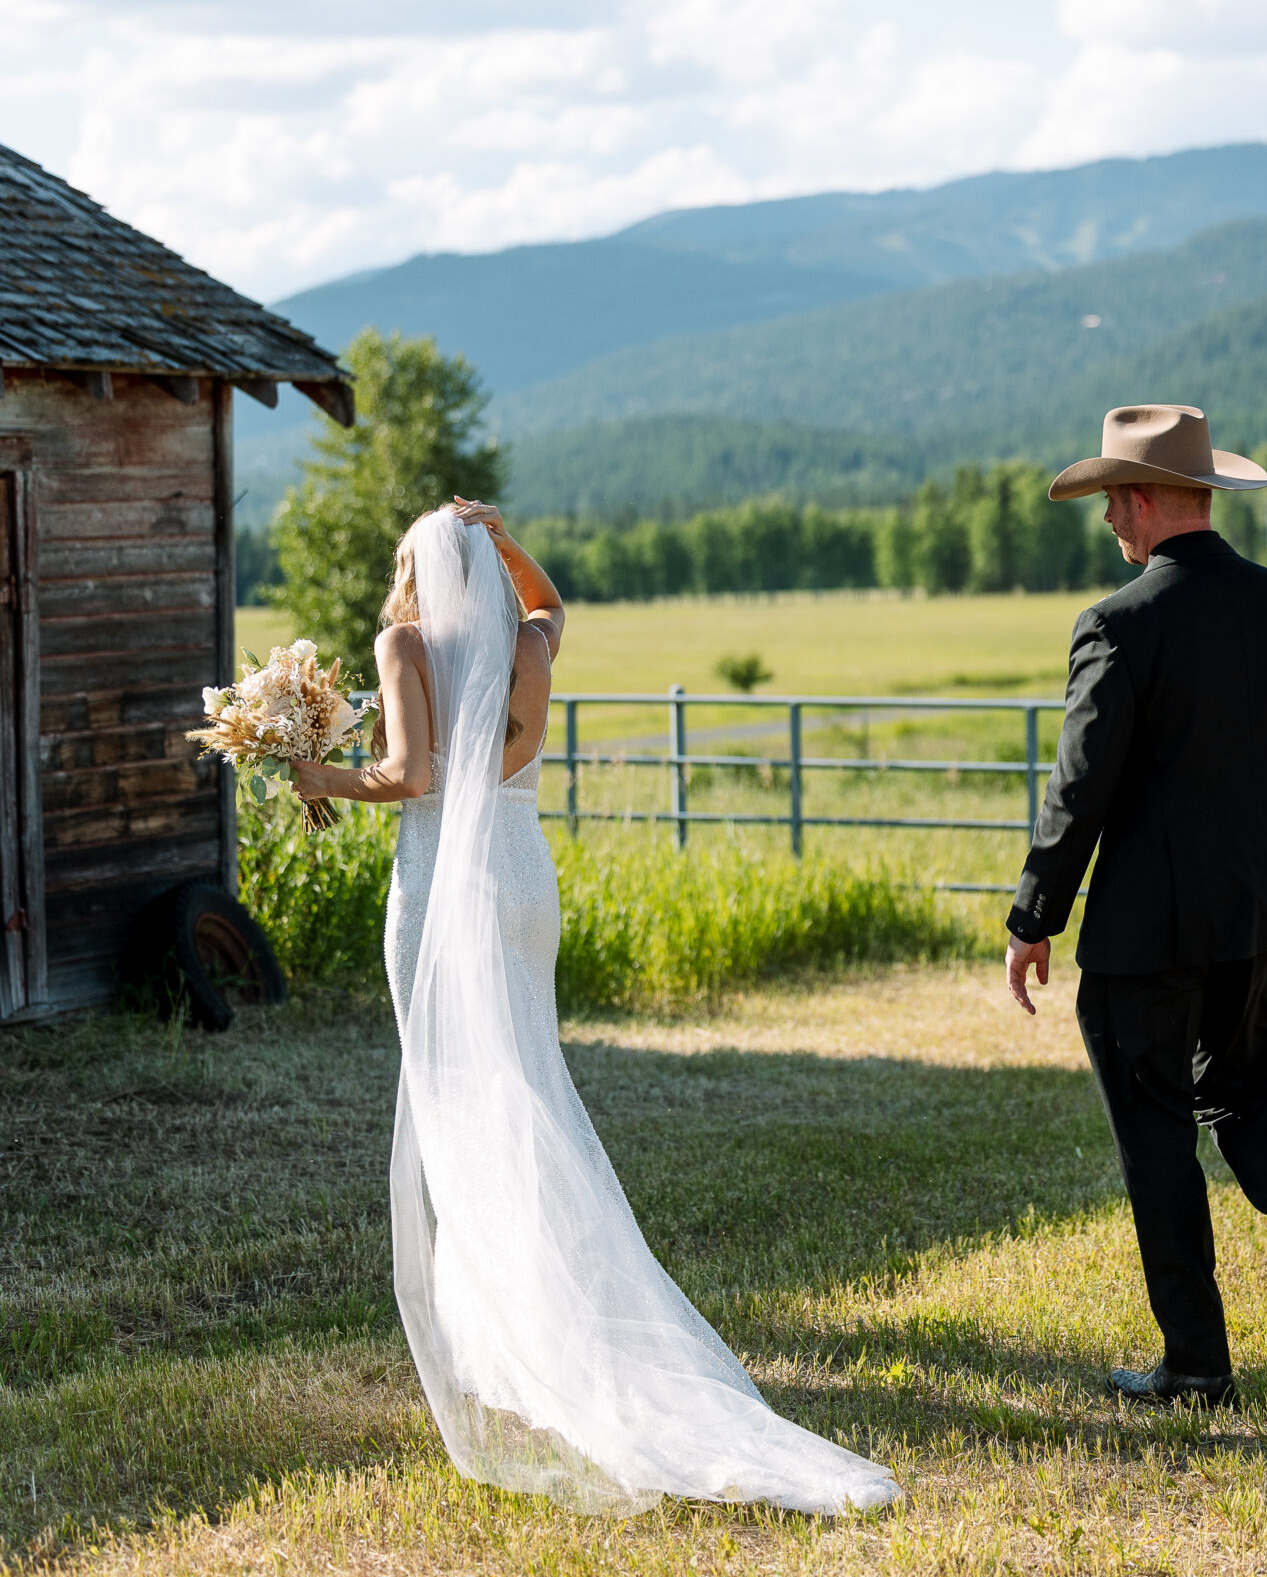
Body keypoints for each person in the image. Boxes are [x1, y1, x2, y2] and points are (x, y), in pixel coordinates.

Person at [291, 500, 897, 1515]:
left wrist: (317, 775)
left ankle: (523, 1340)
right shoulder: (527, 644)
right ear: (486, 567)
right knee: (530, 1092)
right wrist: (503, 541)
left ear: (414, 570)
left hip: (443, 887)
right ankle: (533, 1326)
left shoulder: (404, 645)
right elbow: (551, 602)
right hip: (524, 882)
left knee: (460, 1109)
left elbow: (409, 774)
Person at [1004, 406, 1267, 1409]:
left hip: (1146, 937)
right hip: (1259, 919)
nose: (1106, 522)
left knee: (1158, 1133)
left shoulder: (1118, 624)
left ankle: (1198, 1365)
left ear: (1141, 498)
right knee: (1248, 1098)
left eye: (1110, 501)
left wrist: (1033, 914)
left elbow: (1079, 786)